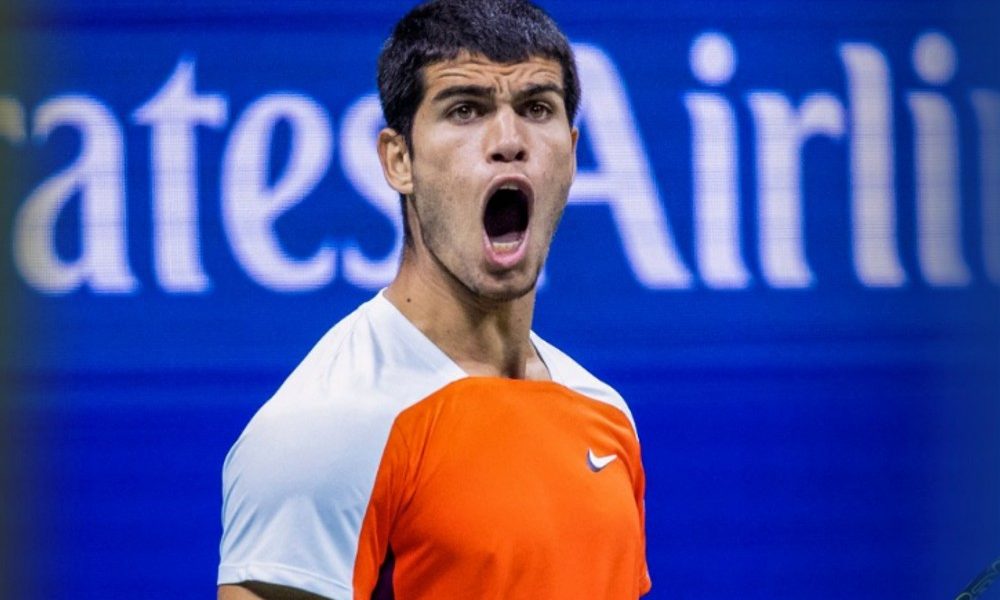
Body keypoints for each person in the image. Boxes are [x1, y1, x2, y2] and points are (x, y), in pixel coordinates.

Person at [217, 0, 650, 598]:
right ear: (399, 160)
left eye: (536, 108)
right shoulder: (325, 425)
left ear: (572, 153)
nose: (508, 140)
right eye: (466, 109)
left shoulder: (605, 414)